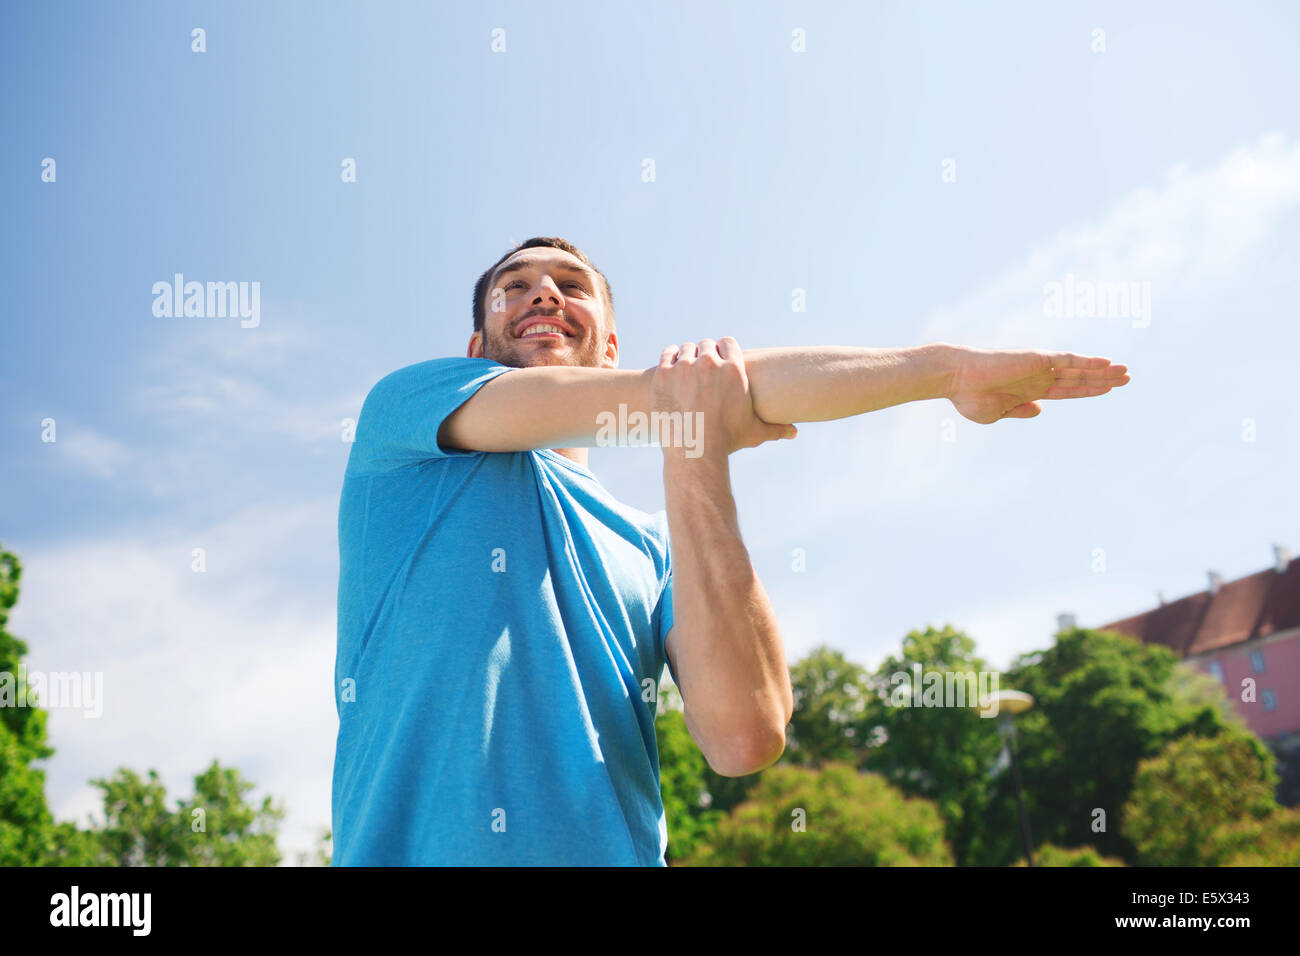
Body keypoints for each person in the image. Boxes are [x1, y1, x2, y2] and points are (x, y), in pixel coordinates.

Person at [330, 236, 1130, 866]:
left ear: (611, 345)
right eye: (517, 284)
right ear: (475, 346)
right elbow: (681, 396)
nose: (545, 291)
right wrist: (941, 370)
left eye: (573, 286)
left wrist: (695, 454)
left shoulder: (654, 547)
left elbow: (746, 736)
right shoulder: (407, 420)